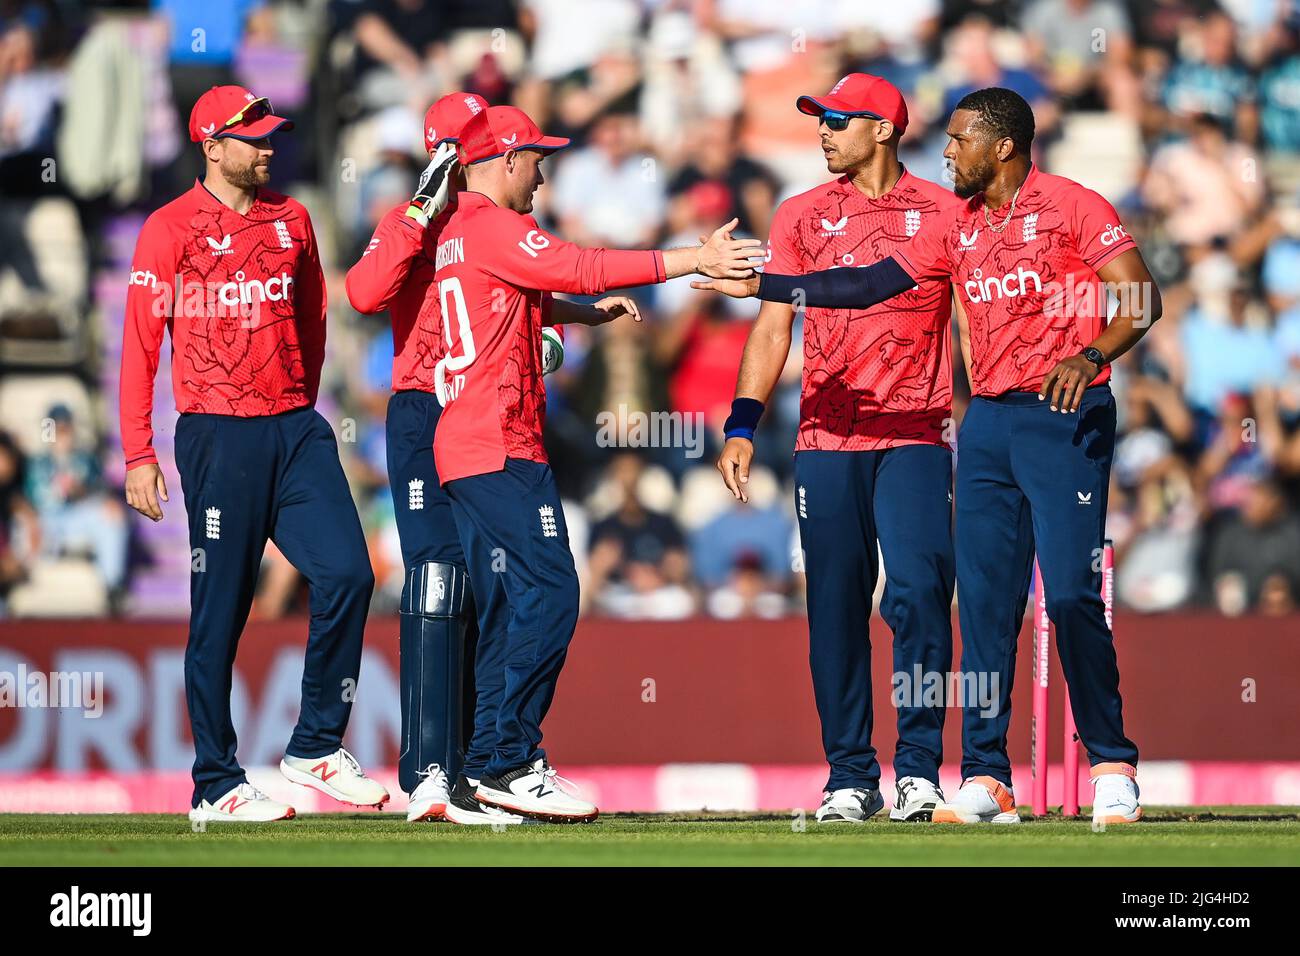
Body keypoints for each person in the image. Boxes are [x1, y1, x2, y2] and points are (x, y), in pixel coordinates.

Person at [697, 87, 1162, 826]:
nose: (946, 151)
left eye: (959, 140)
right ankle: (985, 774)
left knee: (1070, 592)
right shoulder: (959, 227)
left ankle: (1110, 761)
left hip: (1065, 417)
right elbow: (865, 285)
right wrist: (767, 285)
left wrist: (1091, 353)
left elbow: (1141, 298)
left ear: (1001, 146)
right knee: (982, 606)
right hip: (985, 427)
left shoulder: (1074, 204)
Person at [433, 103, 759, 821]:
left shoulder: (456, 232)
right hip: (498, 443)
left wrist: (581, 317)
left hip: (467, 442)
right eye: (537, 160)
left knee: (515, 605)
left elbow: (513, 299)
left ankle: (485, 765)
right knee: (552, 592)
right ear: (508, 159)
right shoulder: (496, 224)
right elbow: (580, 265)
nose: (544, 176)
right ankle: (514, 760)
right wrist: (691, 259)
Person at [345, 92, 641, 824]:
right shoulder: (420, 218)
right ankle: (430, 772)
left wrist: (559, 323)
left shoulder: (498, 222)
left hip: (481, 409)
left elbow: (526, 295)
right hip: (424, 404)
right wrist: (418, 210)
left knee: (498, 591)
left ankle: (485, 762)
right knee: (440, 580)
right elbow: (364, 292)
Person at [121, 85, 387, 823]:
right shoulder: (168, 228)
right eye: (254, 139)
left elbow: (313, 317)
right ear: (212, 146)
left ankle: (314, 746)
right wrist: (138, 452)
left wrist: (298, 401)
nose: (269, 147)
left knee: (349, 574)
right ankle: (215, 783)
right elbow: (141, 346)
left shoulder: (293, 219)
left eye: (272, 136)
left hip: (295, 428)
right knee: (221, 614)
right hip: (217, 434)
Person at [714, 74, 963, 824]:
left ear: (883, 130)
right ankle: (850, 776)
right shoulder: (799, 214)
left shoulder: (945, 213)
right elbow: (770, 328)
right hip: (826, 437)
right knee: (835, 606)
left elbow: (971, 328)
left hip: (918, 433)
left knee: (919, 595)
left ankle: (918, 769)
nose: (823, 131)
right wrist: (741, 423)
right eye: (820, 120)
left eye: (838, 120)